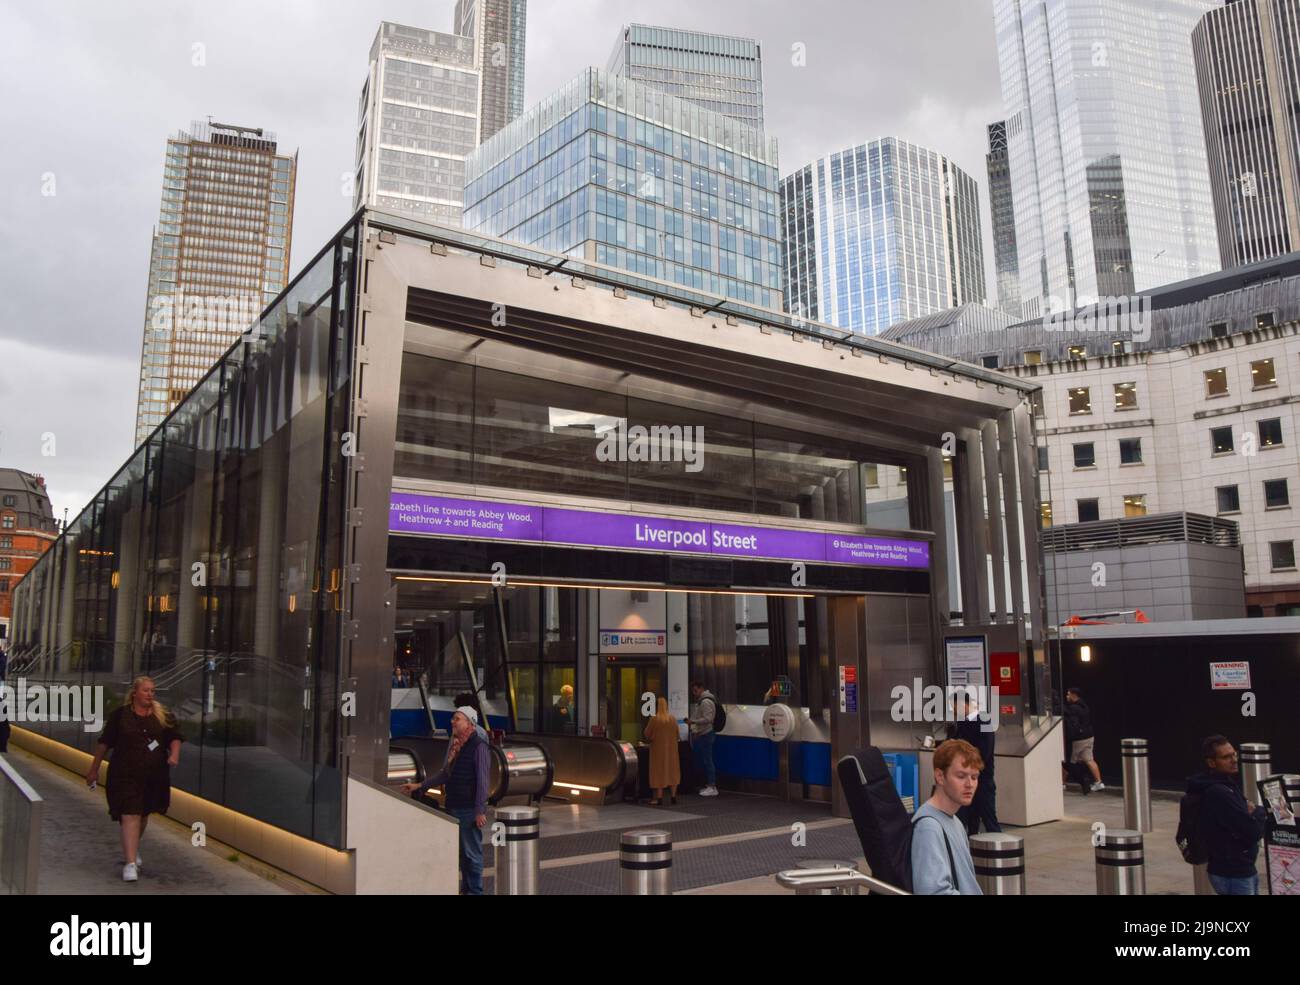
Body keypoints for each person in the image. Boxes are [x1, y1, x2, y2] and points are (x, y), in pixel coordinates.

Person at [85, 676, 184, 882]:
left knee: (143, 813)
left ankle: (132, 848)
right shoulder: (120, 716)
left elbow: (174, 736)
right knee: (131, 813)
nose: (150, 694)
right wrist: (94, 769)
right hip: (125, 773)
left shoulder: (162, 715)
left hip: (153, 775)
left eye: (153, 691)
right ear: (135, 693)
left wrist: (174, 754)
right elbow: (104, 743)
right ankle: (130, 863)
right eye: (146, 690)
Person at [402, 706, 490, 895]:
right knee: (463, 855)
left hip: (468, 809)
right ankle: (467, 890)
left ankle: (475, 892)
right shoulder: (457, 746)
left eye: (457, 718)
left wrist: (479, 810)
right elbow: (446, 774)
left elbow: (483, 780)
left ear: (469, 722)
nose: (452, 721)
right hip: (454, 805)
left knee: (472, 855)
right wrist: (420, 785)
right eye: (453, 718)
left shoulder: (479, 746)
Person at [1186, 735, 1267, 896]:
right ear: (1211, 762)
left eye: (1234, 754)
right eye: (1226, 757)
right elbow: (1253, 832)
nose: (1234, 760)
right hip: (1233, 873)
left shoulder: (1226, 785)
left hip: (1240, 869)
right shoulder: (1219, 792)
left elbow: (1249, 817)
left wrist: (1253, 813)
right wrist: (1257, 813)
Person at [911, 738, 984, 895]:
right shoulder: (929, 827)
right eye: (961, 776)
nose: (969, 784)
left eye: (974, 777)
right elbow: (932, 891)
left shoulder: (954, 820)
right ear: (940, 776)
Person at [946, 692, 1000, 835]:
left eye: (955, 707)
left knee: (989, 820)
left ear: (965, 704)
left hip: (982, 781)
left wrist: (965, 759)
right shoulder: (960, 723)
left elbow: (985, 752)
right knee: (968, 820)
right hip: (965, 781)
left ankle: (999, 853)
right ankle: (970, 852)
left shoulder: (985, 721)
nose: (955, 711)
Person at [1062, 687, 1104, 792]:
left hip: (1078, 739)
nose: (1067, 696)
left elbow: (1071, 721)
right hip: (1089, 737)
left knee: (1068, 762)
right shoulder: (1085, 706)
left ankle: (1061, 784)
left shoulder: (1073, 708)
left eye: (1068, 694)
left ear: (1074, 695)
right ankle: (1099, 782)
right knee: (1089, 760)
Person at [643, 697, 681, 805]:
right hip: (672, 751)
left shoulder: (654, 719)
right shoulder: (672, 719)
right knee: (673, 773)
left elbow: (647, 734)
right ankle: (673, 797)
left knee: (658, 772)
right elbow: (677, 735)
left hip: (658, 751)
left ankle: (659, 798)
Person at [687, 681, 719, 797]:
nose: (694, 693)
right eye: (693, 691)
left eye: (695, 690)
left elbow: (708, 719)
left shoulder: (705, 702)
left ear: (701, 689)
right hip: (704, 733)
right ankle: (710, 785)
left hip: (706, 734)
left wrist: (693, 722)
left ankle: (712, 786)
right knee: (706, 759)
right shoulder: (703, 701)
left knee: (707, 760)